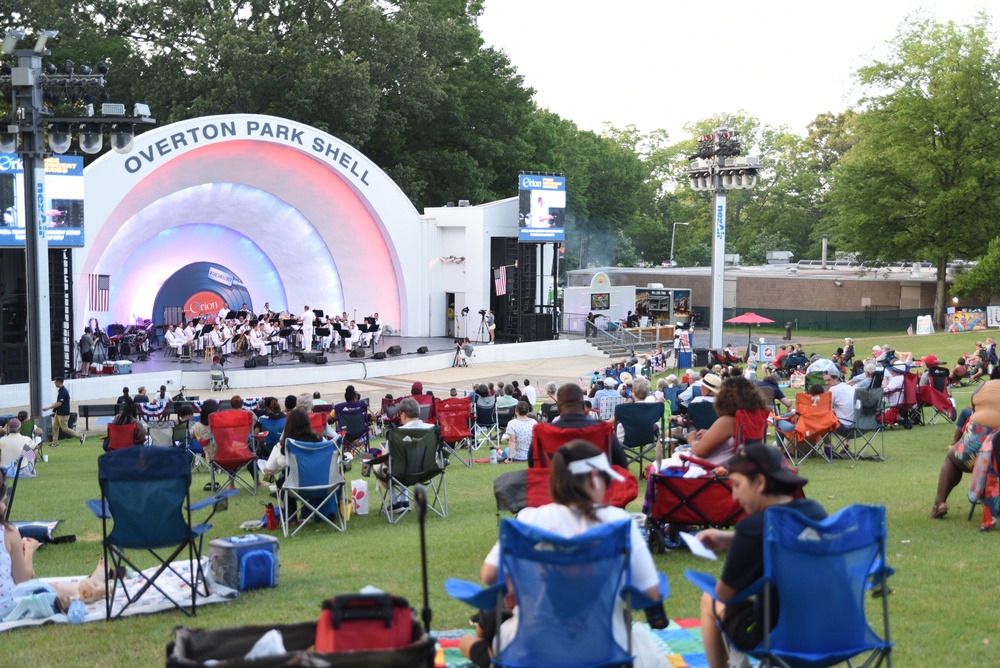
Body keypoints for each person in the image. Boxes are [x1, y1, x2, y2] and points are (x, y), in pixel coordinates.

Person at [459, 440, 665, 668]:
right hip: (604, 650)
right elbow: (650, 593)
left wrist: (512, 580)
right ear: (595, 479)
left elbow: (489, 575)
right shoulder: (619, 523)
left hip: (533, 648)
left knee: (475, 640)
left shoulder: (529, 518)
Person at [695, 443, 826, 668]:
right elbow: (784, 537)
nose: (734, 496)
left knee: (710, 600)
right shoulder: (814, 511)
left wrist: (742, 540)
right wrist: (731, 539)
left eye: (736, 484)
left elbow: (724, 594)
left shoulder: (754, 526)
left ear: (760, 482)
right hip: (831, 630)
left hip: (777, 637)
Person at [930, 380, 1000, 519]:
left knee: (952, 457)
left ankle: (939, 503)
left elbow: (973, 407)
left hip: (979, 447)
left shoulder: (984, 386)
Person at [685, 377, 768, 467]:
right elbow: (736, 441)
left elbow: (699, 452)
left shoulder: (727, 421)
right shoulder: (756, 418)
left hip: (710, 470)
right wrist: (710, 434)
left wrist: (692, 440)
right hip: (742, 468)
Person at [544, 383, 629, 468]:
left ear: (559, 407)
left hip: (558, 478)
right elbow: (622, 464)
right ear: (583, 406)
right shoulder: (602, 430)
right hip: (594, 477)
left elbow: (537, 466)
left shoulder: (545, 432)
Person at [43, 377, 84, 448]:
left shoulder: (63, 391)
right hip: (59, 413)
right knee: (55, 427)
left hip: (63, 413)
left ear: (59, 382)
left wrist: (48, 408)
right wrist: (55, 411)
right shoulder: (61, 391)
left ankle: (80, 436)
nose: (54, 383)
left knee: (64, 428)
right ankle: (55, 442)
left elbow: (59, 403)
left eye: (55, 382)